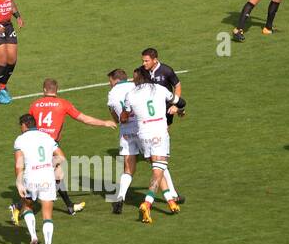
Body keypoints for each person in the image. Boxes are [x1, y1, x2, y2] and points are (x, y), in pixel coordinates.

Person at [19, 79, 117, 218]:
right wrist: (104, 123)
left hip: (36, 144)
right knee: (53, 175)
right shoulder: (62, 104)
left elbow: (27, 124)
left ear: (44, 89)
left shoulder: (35, 104)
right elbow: (84, 118)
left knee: (56, 175)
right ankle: (19, 206)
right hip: (50, 146)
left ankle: (69, 206)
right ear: (56, 90)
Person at [123, 67, 181, 223]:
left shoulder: (130, 94)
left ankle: (170, 201)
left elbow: (124, 115)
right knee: (159, 169)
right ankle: (147, 203)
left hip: (143, 134)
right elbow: (179, 101)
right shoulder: (160, 89)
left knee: (158, 168)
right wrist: (179, 108)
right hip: (159, 132)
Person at [13, 114, 60, 244]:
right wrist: (57, 169)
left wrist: (19, 182)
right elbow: (60, 156)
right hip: (47, 176)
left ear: (24, 125)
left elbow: (19, 163)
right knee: (47, 215)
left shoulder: (20, 140)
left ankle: (33, 236)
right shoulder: (47, 137)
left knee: (27, 206)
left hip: (31, 177)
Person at [106, 68, 142, 214]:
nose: (110, 85)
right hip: (141, 128)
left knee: (128, 168)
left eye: (110, 82)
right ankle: (171, 195)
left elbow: (116, 118)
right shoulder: (135, 86)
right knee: (157, 162)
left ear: (116, 79)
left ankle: (121, 196)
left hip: (126, 132)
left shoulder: (112, 94)